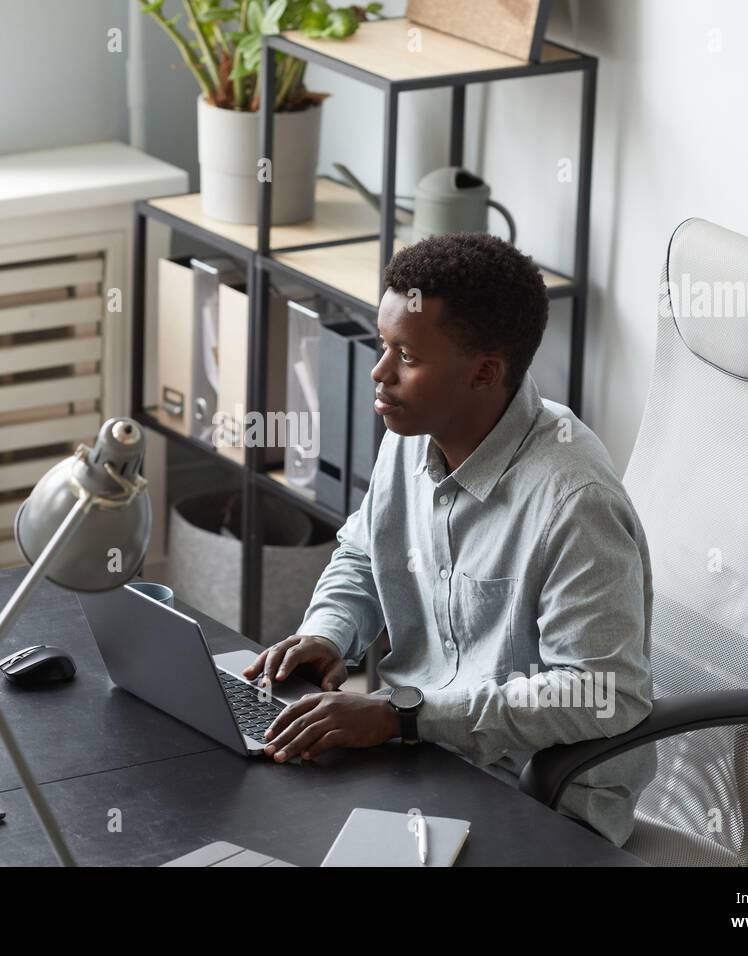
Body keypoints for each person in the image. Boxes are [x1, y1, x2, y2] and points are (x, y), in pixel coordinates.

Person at [243, 232, 657, 846]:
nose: (379, 374)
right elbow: (365, 552)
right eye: (383, 346)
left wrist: (402, 716)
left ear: (485, 371)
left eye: (405, 356)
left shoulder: (575, 504)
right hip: (421, 752)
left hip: (535, 797)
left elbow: (603, 692)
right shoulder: (410, 432)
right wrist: (328, 632)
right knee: (254, 804)